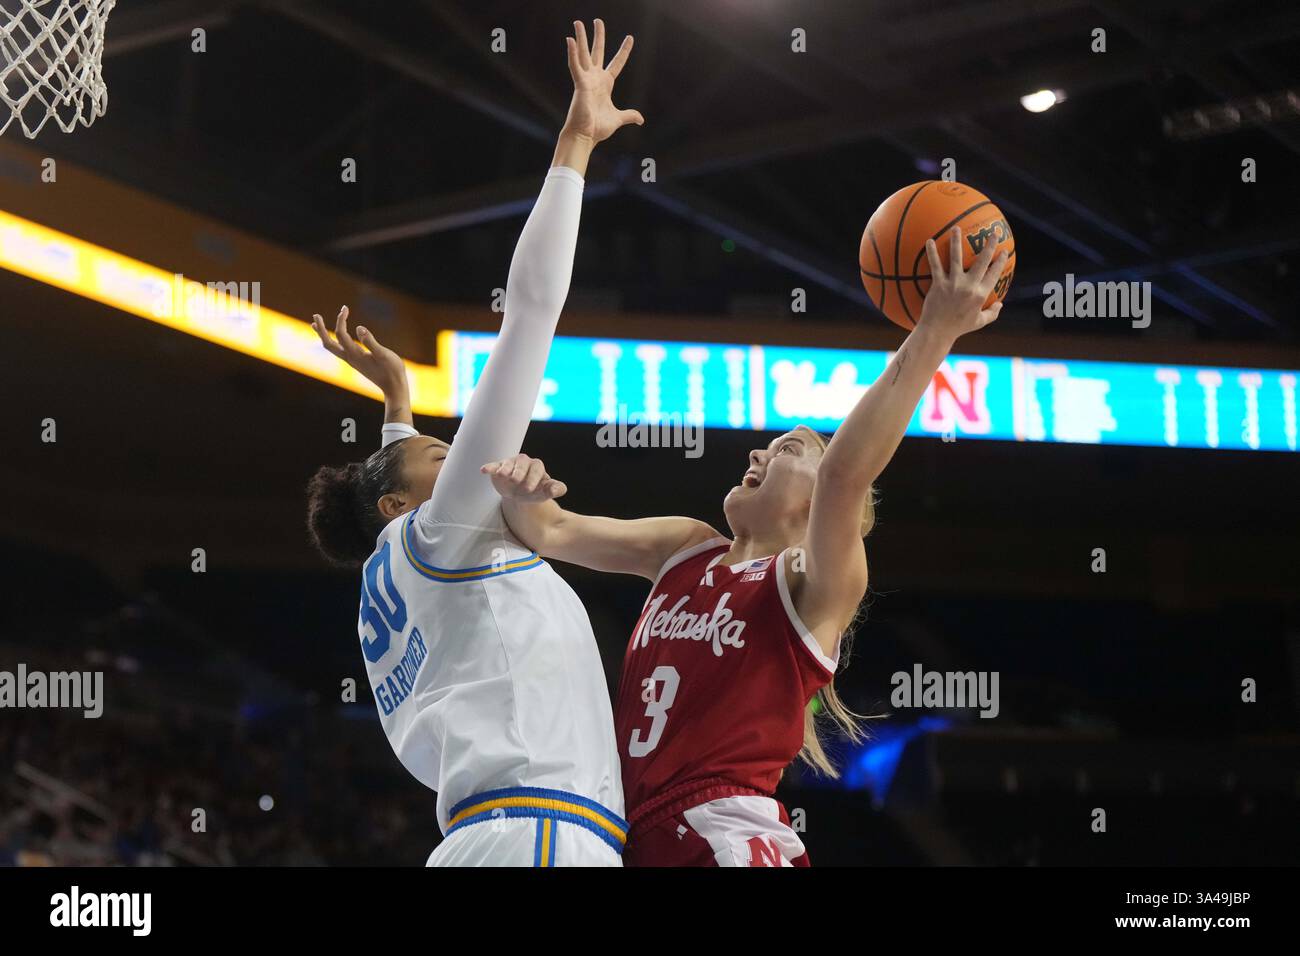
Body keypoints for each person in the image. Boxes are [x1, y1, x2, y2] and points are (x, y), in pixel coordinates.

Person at [485, 230, 1009, 865]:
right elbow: (552, 531)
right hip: (630, 831)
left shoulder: (814, 585)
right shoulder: (685, 548)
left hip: (726, 829)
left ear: (817, 503)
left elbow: (846, 470)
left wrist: (935, 332)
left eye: (787, 450)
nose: (758, 452)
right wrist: (525, 490)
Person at [304, 19, 644, 867]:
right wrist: (574, 141)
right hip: (536, 835)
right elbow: (529, 312)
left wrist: (396, 403)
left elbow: (400, 477)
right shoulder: (433, 532)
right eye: (435, 451)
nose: (453, 452)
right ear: (402, 499)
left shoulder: (404, 558)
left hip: (513, 835)